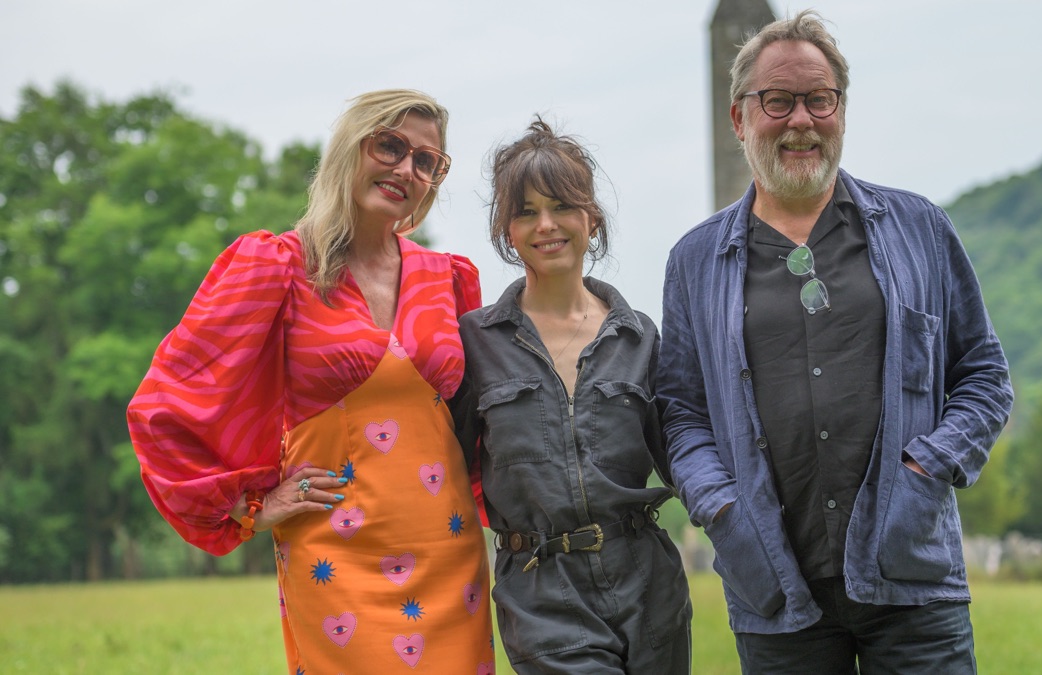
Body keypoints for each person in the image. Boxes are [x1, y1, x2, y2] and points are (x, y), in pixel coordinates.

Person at [657, 11, 1014, 674]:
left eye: (819, 99)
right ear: (740, 118)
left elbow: (984, 375)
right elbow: (680, 411)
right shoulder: (695, 261)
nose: (800, 120)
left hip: (911, 579)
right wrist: (722, 507)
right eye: (777, 101)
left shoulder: (919, 229)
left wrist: (926, 469)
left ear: (842, 111)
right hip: (774, 586)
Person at [127, 89, 495, 673]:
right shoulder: (278, 265)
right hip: (335, 558)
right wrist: (253, 505)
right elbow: (170, 399)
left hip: (448, 555)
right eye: (391, 146)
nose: (406, 169)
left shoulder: (448, 279)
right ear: (352, 148)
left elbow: (480, 424)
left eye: (427, 161)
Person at [453, 118, 692, 673]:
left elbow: (683, 454)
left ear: (591, 218)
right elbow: (443, 468)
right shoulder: (474, 341)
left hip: (649, 583)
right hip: (541, 593)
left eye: (561, 205)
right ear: (505, 230)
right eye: (526, 211)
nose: (546, 225)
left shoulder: (640, 337)